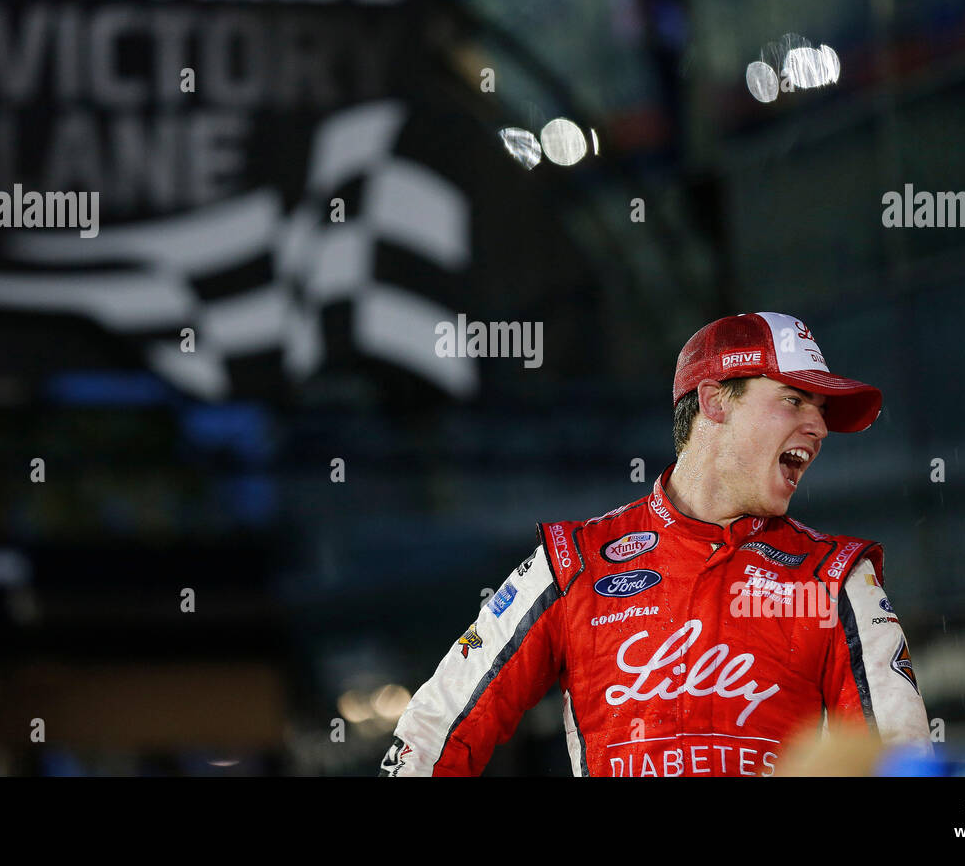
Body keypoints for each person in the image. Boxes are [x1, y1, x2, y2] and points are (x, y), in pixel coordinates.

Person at [380, 312, 931, 777]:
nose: (819, 426)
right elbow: (437, 727)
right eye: (794, 401)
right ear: (715, 401)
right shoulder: (575, 561)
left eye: (821, 410)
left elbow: (903, 759)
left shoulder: (834, 579)